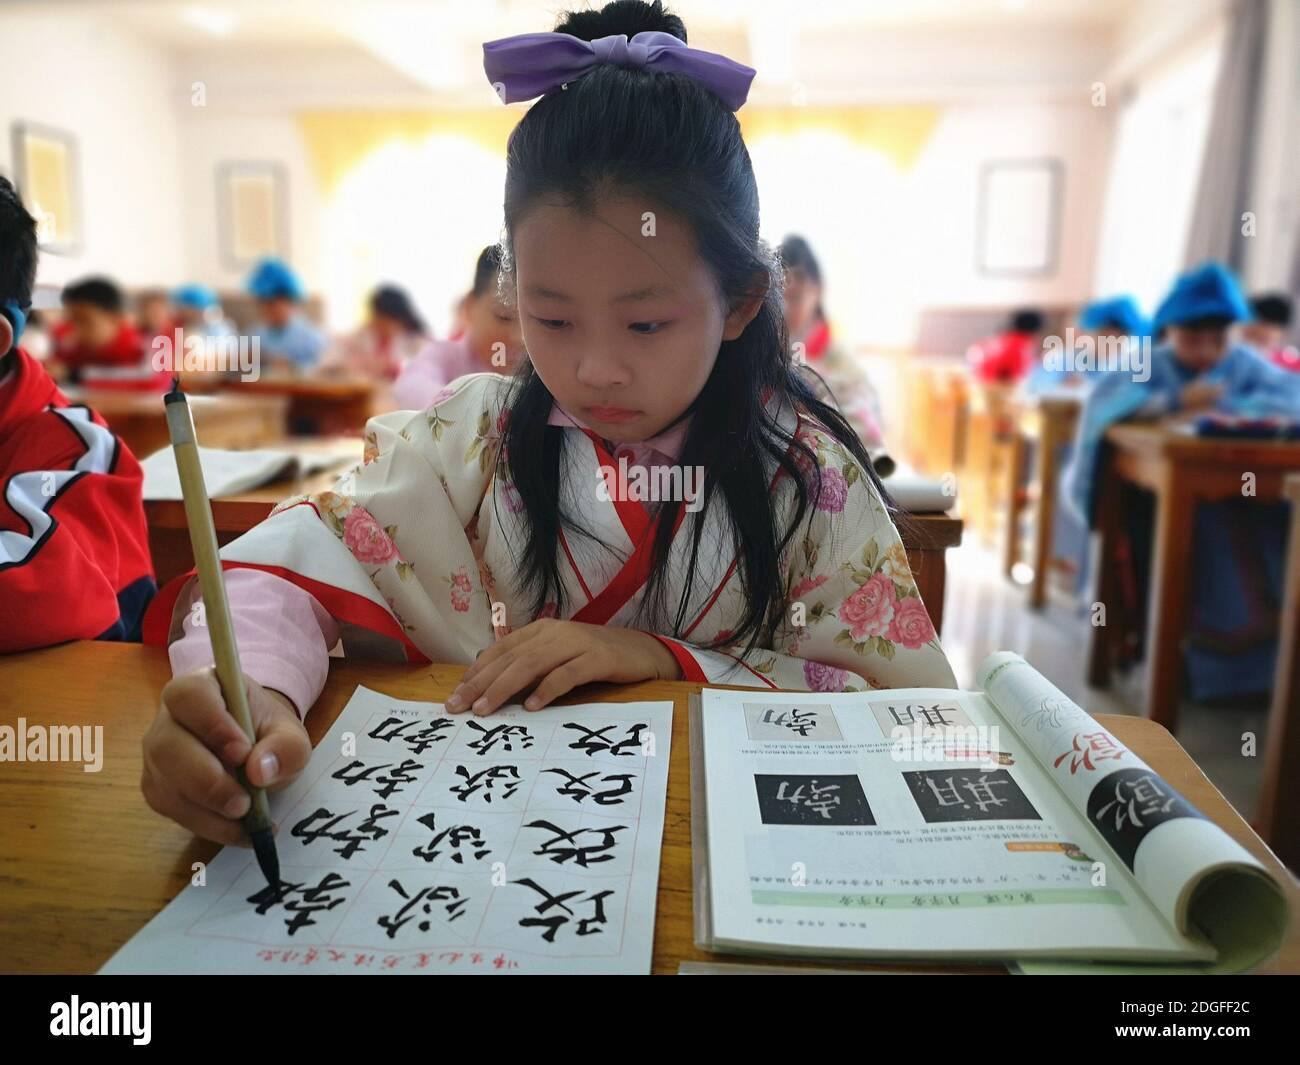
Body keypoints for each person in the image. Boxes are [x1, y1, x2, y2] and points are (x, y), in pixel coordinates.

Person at [139, 0, 955, 846]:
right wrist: (253, 694)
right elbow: (291, 567)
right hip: (489, 839)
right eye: (552, 318)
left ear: (741, 302)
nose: (595, 368)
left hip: (726, 854)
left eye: (646, 324)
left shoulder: (805, 478)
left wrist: (664, 659)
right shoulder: (471, 438)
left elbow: (901, 709)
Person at [1063, 262, 1300, 701]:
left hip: (1251, 493)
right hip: (1162, 500)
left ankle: (1271, 676)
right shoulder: (1145, 364)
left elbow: (1289, 396)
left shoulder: (1245, 363)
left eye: (1218, 340)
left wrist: (1236, 406)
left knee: (1279, 534)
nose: (1207, 353)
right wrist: (1172, 402)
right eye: (1194, 340)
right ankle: (1201, 672)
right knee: (1200, 546)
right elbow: (1101, 415)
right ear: (1169, 330)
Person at [0, 176, 155, 651]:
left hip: (81, 711)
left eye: (86, 321)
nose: (76, 331)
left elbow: (44, 598)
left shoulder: (73, 445)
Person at [778, 234, 886, 452]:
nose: (787, 308)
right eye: (782, 298)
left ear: (817, 292)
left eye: (796, 296)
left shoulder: (837, 356)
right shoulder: (768, 350)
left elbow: (868, 429)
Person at [391, 246, 525, 409]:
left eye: (535, 321)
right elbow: (411, 385)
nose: (520, 337)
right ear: (470, 306)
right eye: (504, 317)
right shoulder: (445, 357)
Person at [52, 276, 161, 389]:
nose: (76, 330)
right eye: (73, 321)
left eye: (85, 320)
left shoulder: (143, 347)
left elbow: (153, 380)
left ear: (115, 318)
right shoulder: (74, 350)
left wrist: (75, 375)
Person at [324, 284, 429, 382]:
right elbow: (328, 366)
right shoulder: (354, 338)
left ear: (401, 319)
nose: (384, 325)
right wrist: (355, 366)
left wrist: (395, 367)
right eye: (380, 318)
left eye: (389, 320)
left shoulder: (415, 342)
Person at [245, 257, 325, 373]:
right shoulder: (254, 334)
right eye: (263, 302)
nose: (267, 309)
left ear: (291, 301)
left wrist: (292, 366)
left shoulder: (311, 337)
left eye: (273, 303)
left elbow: (321, 369)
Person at [967, 308, 1043, 385]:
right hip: (998, 388)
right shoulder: (1020, 347)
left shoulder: (1000, 339)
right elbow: (1015, 379)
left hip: (980, 383)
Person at [1240, 292, 1297, 373]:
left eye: (1266, 324)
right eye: (1254, 321)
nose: (1259, 330)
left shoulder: (1291, 367)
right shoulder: (1230, 357)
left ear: (1283, 332)